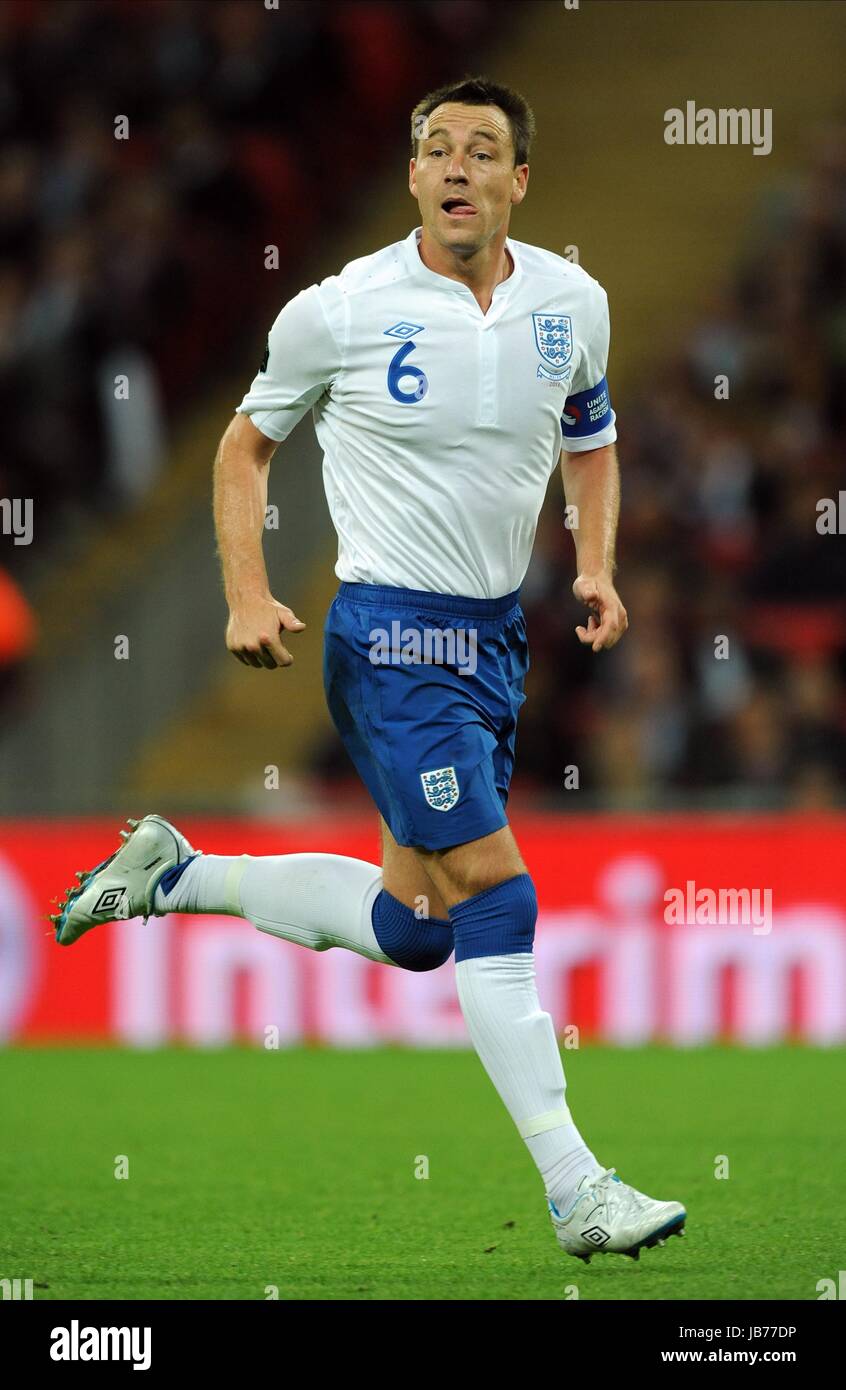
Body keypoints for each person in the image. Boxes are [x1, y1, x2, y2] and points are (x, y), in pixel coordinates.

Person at [51, 76, 685, 1264]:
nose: (455, 166)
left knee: (418, 928)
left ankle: (175, 873)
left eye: (481, 150)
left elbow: (591, 445)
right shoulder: (341, 310)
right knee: (500, 896)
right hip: (392, 635)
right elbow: (245, 447)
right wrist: (247, 589)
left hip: (494, 639)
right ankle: (577, 1188)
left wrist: (594, 567)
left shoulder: (572, 303)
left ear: (518, 181)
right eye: (434, 148)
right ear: (411, 177)